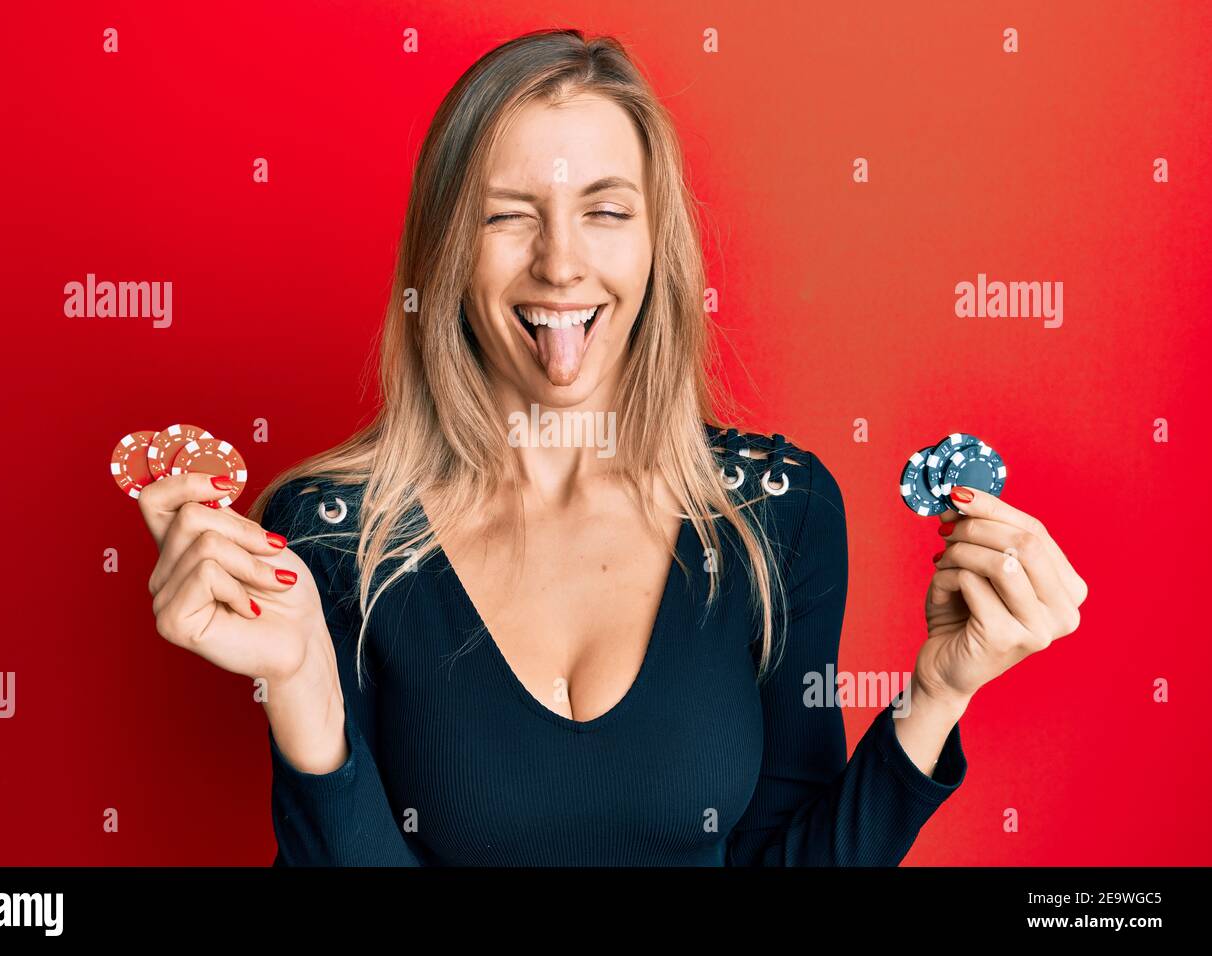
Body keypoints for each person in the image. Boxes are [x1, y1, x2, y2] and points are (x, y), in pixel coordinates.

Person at [136, 29, 1086, 866]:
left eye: (604, 210)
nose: (560, 262)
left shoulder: (777, 511)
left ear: (656, 244)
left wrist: (940, 692)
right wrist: (299, 685)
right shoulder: (332, 535)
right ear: (444, 252)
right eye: (508, 214)